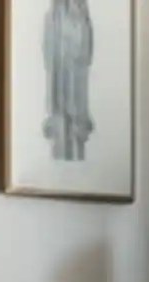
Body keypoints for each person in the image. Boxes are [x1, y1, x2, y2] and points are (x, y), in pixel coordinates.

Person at [42, 0, 94, 161]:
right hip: (60, 69)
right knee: (59, 104)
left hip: (74, 69)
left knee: (75, 104)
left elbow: (84, 45)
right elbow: (49, 48)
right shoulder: (54, 13)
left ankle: (75, 144)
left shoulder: (79, 11)